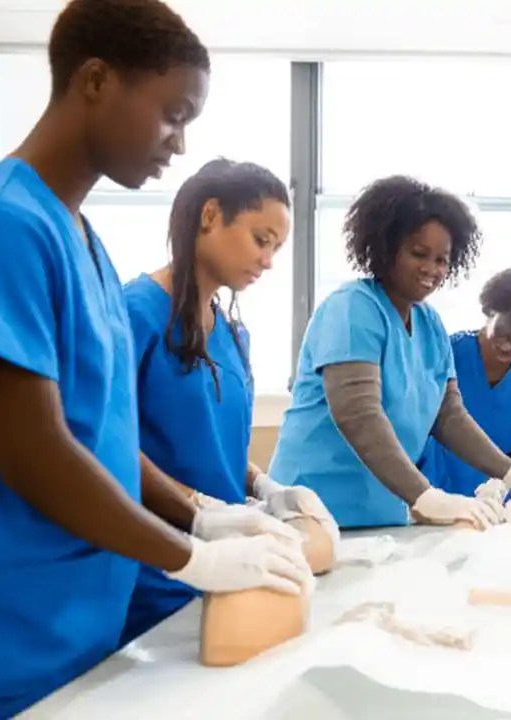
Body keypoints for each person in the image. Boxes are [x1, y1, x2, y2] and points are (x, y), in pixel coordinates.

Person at [0, 3, 311, 717]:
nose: (178, 145)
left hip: (86, 625)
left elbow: (106, 441)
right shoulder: (0, 222)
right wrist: (193, 558)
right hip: (3, 639)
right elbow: (35, 453)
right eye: (172, 114)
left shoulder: (81, 239)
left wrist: (203, 516)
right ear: (95, 80)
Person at [269, 176, 511, 530]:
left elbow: (450, 417)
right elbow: (358, 413)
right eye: (418, 253)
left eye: (442, 259)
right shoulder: (352, 309)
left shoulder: (430, 325)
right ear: (385, 247)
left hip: (381, 516)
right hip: (313, 509)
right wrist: (426, 495)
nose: (432, 269)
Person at [120, 158, 339, 645]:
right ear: (211, 215)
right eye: (261, 240)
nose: (268, 260)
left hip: (227, 575)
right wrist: (199, 511)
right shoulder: (133, 315)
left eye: (276, 248)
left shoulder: (234, 334)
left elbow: (214, 446)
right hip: (154, 571)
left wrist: (265, 487)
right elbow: (102, 444)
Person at [418, 267, 511, 498]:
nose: (507, 346)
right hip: (429, 496)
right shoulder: (443, 355)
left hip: (494, 504)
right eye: (503, 332)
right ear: (490, 310)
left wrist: (502, 488)